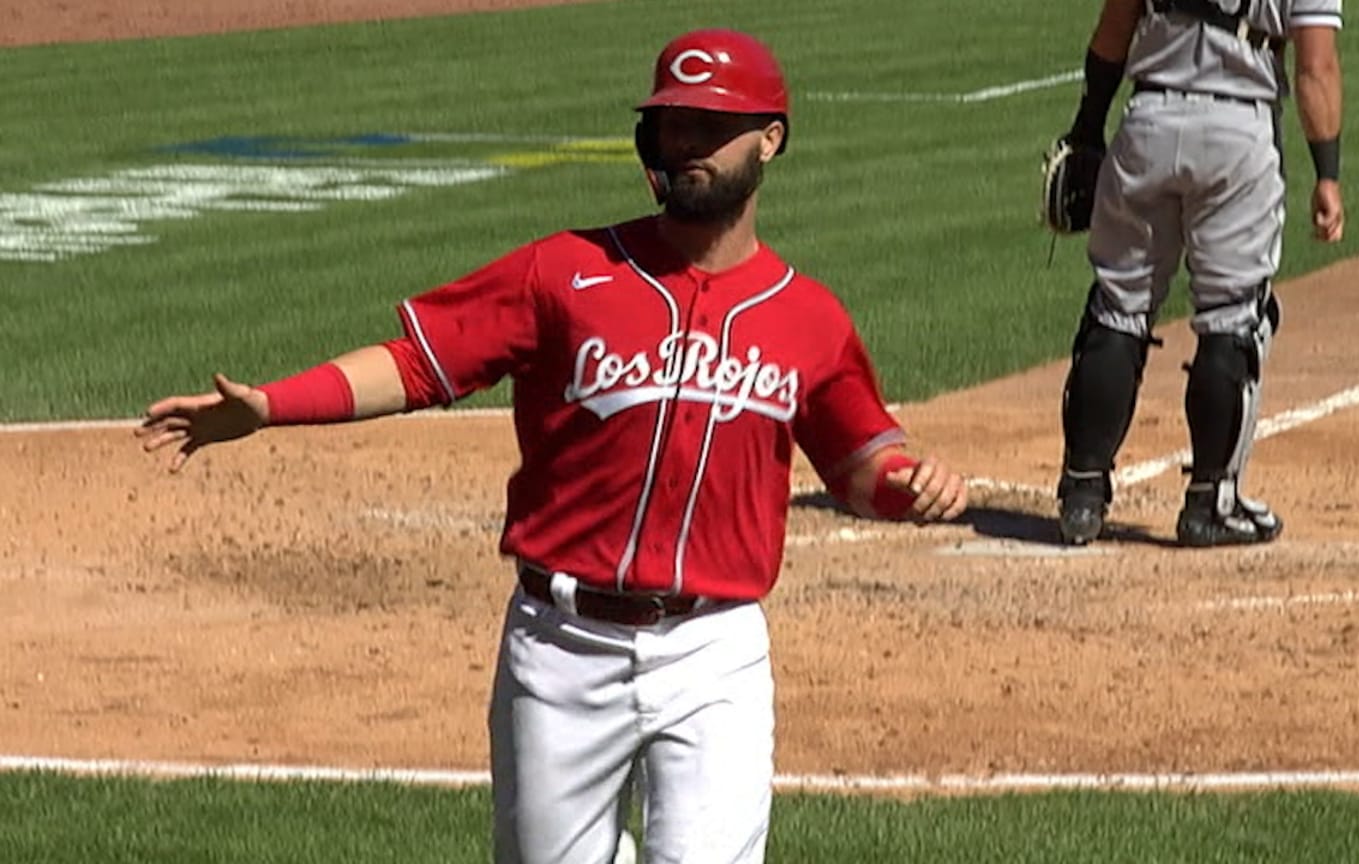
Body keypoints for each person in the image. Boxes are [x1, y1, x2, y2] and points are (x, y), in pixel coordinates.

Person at [137, 28, 967, 864]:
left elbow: (860, 465)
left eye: (711, 129)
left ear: (771, 139)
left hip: (713, 653)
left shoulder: (808, 317)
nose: (686, 145)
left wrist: (908, 487)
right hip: (560, 648)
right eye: (674, 124)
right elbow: (419, 363)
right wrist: (273, 405)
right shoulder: (566, 272)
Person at [1052, 0, 1345, 547]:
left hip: (1149, 123)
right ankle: (1212, 503)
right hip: (1239, 133)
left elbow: (1114, 28)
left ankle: (1082, 495)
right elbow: (1316, 67)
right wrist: (1327, 175)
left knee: (1118, 307)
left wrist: (1088, 130)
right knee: (1234, 318)